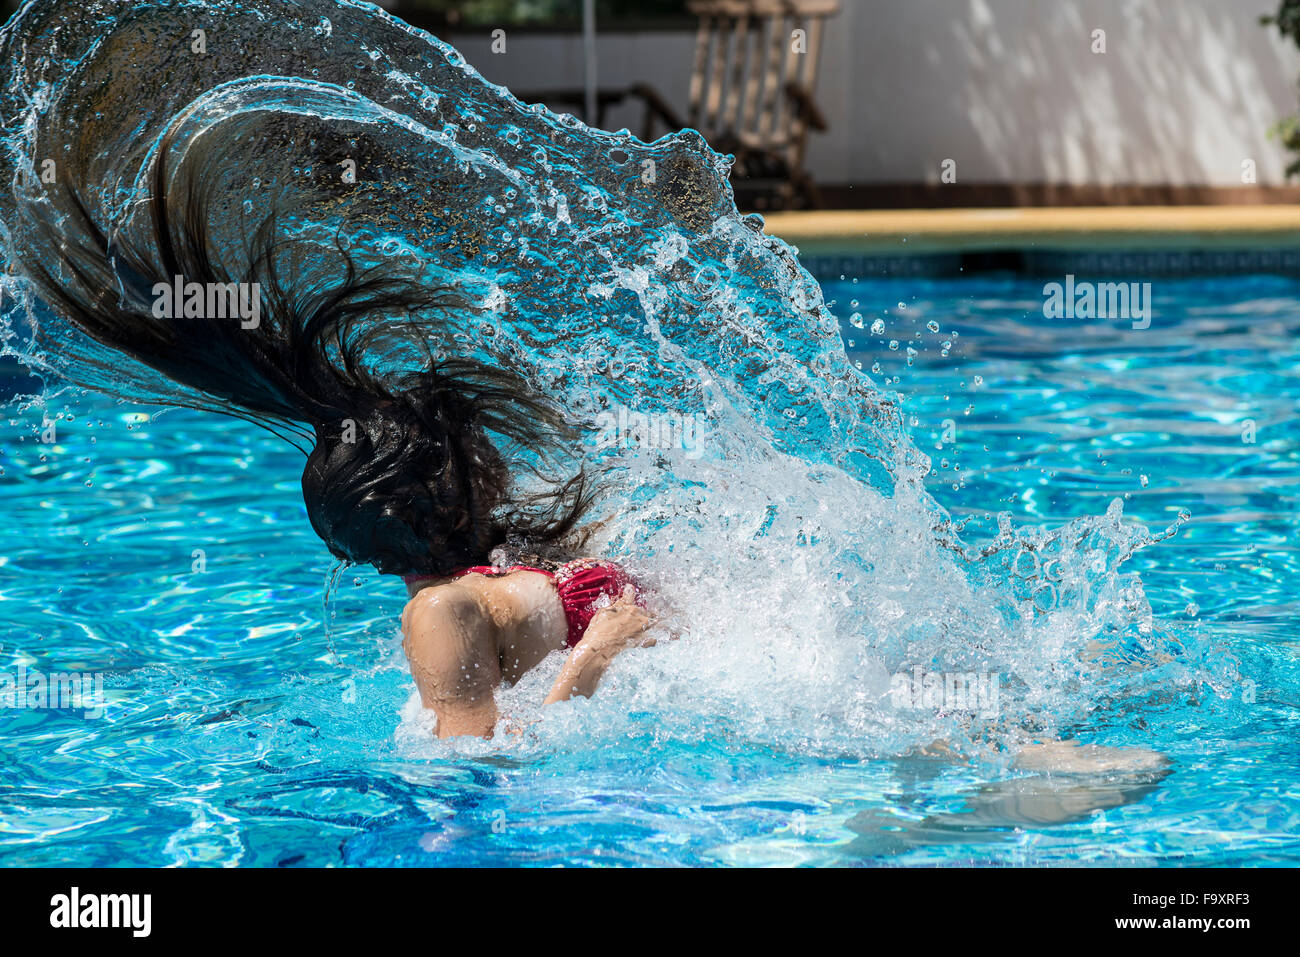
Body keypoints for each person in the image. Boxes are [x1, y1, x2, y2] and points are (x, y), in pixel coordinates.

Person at [11, 127, 653, 739]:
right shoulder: (437, 613)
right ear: (432, 492)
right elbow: (475, 767)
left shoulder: (489, 574)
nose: (483, 451)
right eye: (462, 449)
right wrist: (593, 657)